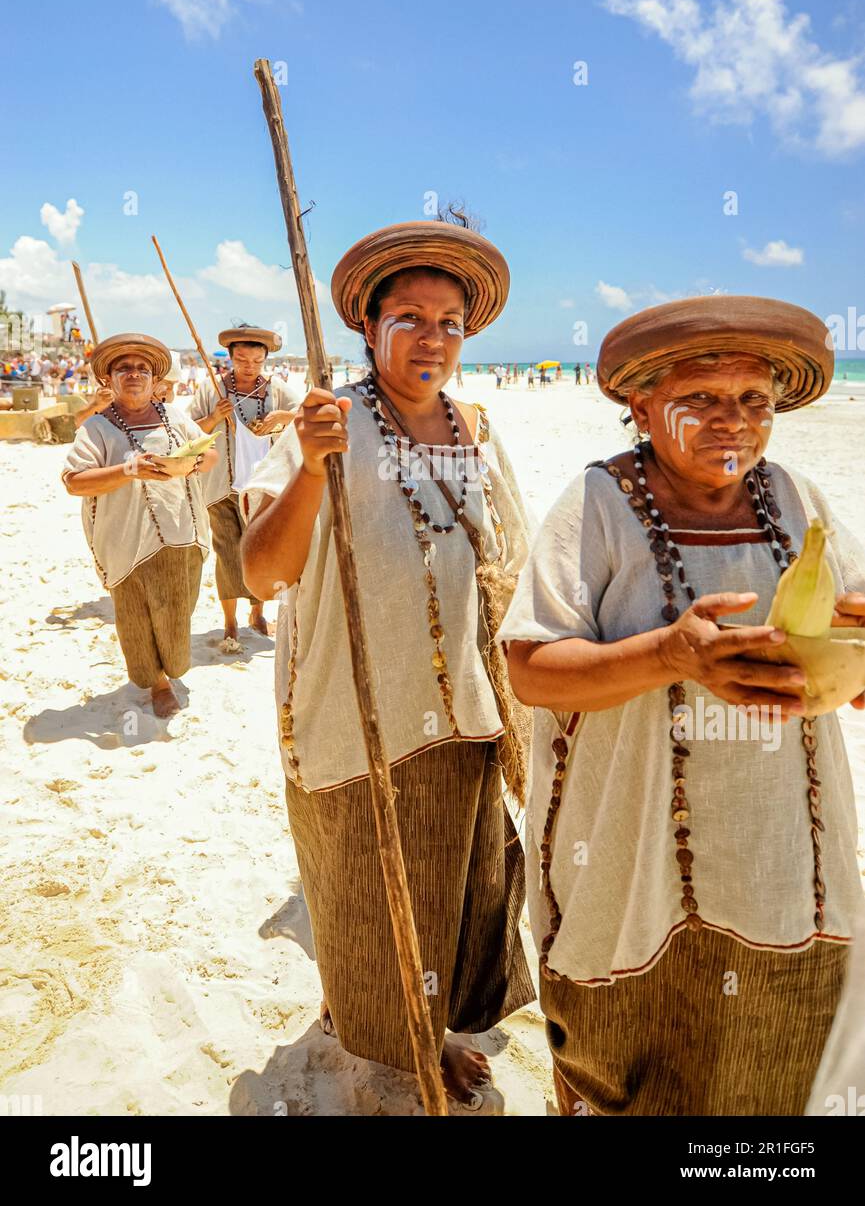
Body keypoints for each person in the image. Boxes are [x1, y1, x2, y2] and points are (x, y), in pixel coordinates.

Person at [499, 295, 865, 1116]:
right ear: (639, 406)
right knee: (630, 1048)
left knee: (772, 1059)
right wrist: (669, 656)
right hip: (628, 848)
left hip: (778, 850)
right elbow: (531, 668)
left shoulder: (798, 500)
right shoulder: (597, 504)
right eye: (698, 400)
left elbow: (842, 642)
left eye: (753, 402)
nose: (731, 421)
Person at [241, 220, 536, 1107]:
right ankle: (386, 1028)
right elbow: (263, 571)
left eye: (447, 322)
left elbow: (510, 565)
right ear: (369, 329)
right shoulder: (324, 424)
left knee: (449, 879)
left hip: (463, 707)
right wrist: (311, 469)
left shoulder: (478, 432)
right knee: (363, 882)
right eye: (407, 316)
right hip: (351, 704)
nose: (430, 337)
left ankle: (428, 1023)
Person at [62, 333, 216, 718]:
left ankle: (171, 669)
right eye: (123, 368)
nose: (134, 374)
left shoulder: (175, 417)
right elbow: (74, 481)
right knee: (136, 615)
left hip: (183, 531)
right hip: (127, 540)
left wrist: (194, 463)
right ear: (108, 380)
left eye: (142, 369)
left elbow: (208, 451)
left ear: (155, 380)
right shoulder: (96, 428)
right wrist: (130, 469)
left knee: (178, 609)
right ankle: (158, 683)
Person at [189, 325, 302, 643]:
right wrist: (213, 418)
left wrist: (280, 417)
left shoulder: (276, 389)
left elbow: (308, 416)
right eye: (241, 359)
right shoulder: (212, 389)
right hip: (220, 488)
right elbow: (187, 431)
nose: (249, 366)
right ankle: (230, 622)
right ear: (231, 357)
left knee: (258, 552)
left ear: (265, 359)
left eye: (255, 360)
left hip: (262, 488)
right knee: (227, 553)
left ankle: (257, 613)